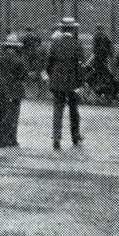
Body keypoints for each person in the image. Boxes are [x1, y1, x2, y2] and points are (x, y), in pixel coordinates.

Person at [45, 18, 84, 150]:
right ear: (73, 29)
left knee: (58, 108)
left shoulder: (55, 42)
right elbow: (80, 65)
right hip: (72, 80)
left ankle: (56, 137)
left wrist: (52, 75)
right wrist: (80, 82)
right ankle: (75, 136)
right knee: (74, 109)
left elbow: (49, 62)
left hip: (57, 79)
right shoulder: (77, 43)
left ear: (62, 29)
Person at [0, 35, 27, 149]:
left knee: (2, 115)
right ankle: (12, 139)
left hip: (1, 90)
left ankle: (0, 138)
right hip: (15, 91)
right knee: (14, 116)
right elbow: (23, 76)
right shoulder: (19, 60)